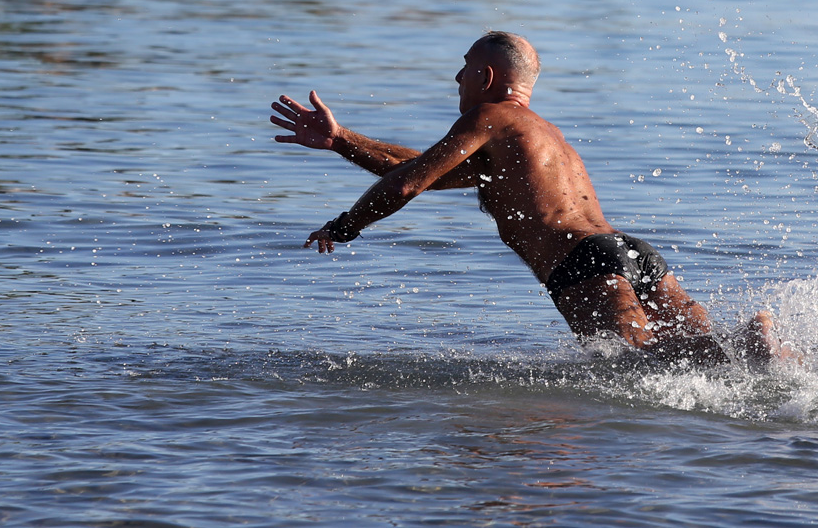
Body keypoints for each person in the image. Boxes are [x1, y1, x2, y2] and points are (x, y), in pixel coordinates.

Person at [270, 31, 791, 367]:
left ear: (487, 77)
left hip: (581, 264)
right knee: (713, 359)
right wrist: (341, 141)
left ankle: (752, 339)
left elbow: (405, 185)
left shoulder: (488, 118)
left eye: (464, 66)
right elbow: (416, 170)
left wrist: (345, 225)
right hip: (630, 252)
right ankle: (764, 345)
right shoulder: (541, 136)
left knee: (637, 367)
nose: (456, 77)